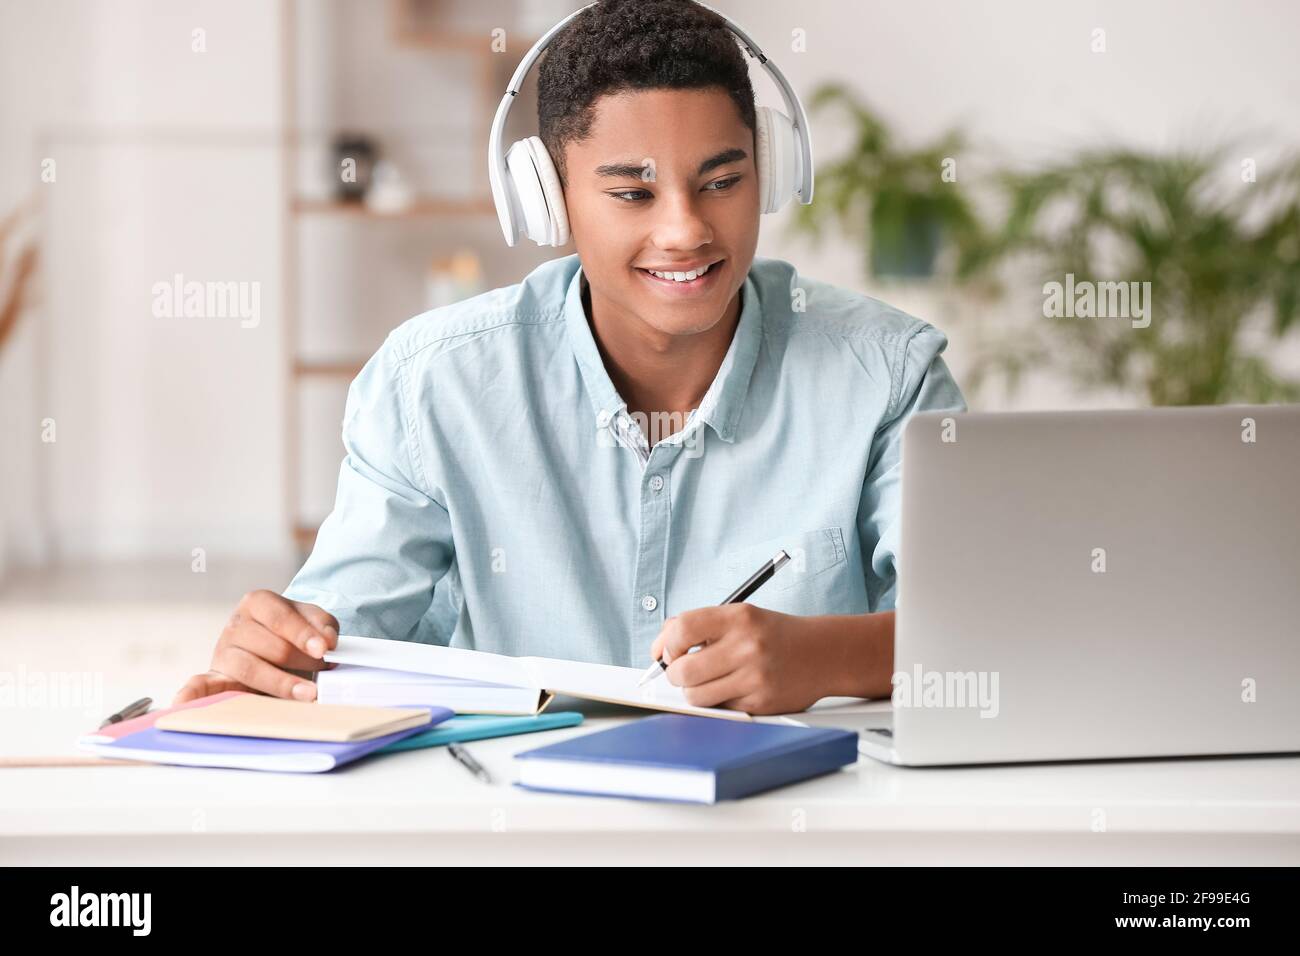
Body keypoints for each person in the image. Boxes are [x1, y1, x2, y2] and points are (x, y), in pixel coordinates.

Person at [175, 0, 966, 716]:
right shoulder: (433, 386)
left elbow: (987, 627)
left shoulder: (887, 374)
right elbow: (342, 634)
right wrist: (283, 654)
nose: (686, 230)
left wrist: (823, 657)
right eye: (633, 194)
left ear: (770, 172)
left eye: (722, 180)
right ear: (548, 198)